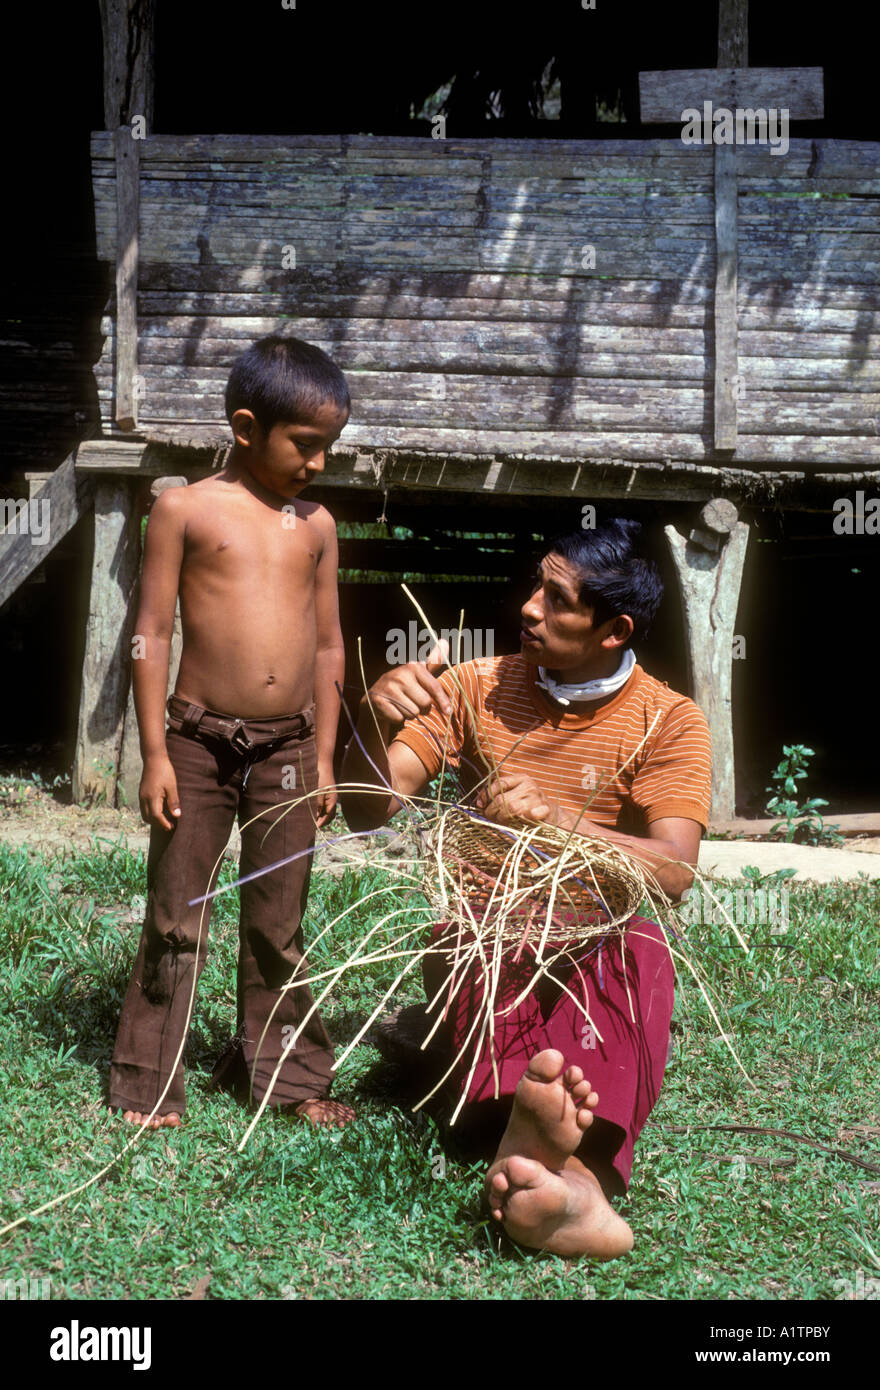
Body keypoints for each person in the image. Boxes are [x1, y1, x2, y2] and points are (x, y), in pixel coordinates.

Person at [342, 518, 711, 1256]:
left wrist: (557, 822)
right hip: (491, 919)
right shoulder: (475, 686)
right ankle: (567, 1172)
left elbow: (671, 872)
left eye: (557, 598)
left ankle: (555, 1163)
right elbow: (369, 807)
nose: (530, 609)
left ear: (615, 630)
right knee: (480, 943)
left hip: (595, 927)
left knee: (640, 947)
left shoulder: (669, 720)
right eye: (537, 587)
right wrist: (372, 716)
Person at [108, 336, 354, 1130]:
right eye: (305, 445)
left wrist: (320, 757)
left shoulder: (317, 525)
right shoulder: (184, 509)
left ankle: (288, 1081)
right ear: (246, 427)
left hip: (288, 747)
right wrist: (153, 754)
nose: (317, 463)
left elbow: (326, 645)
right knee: (177, 916)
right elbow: (150, 631)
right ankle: (148, 1085)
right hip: (195, 742)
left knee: (279, 920)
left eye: (329, 448)